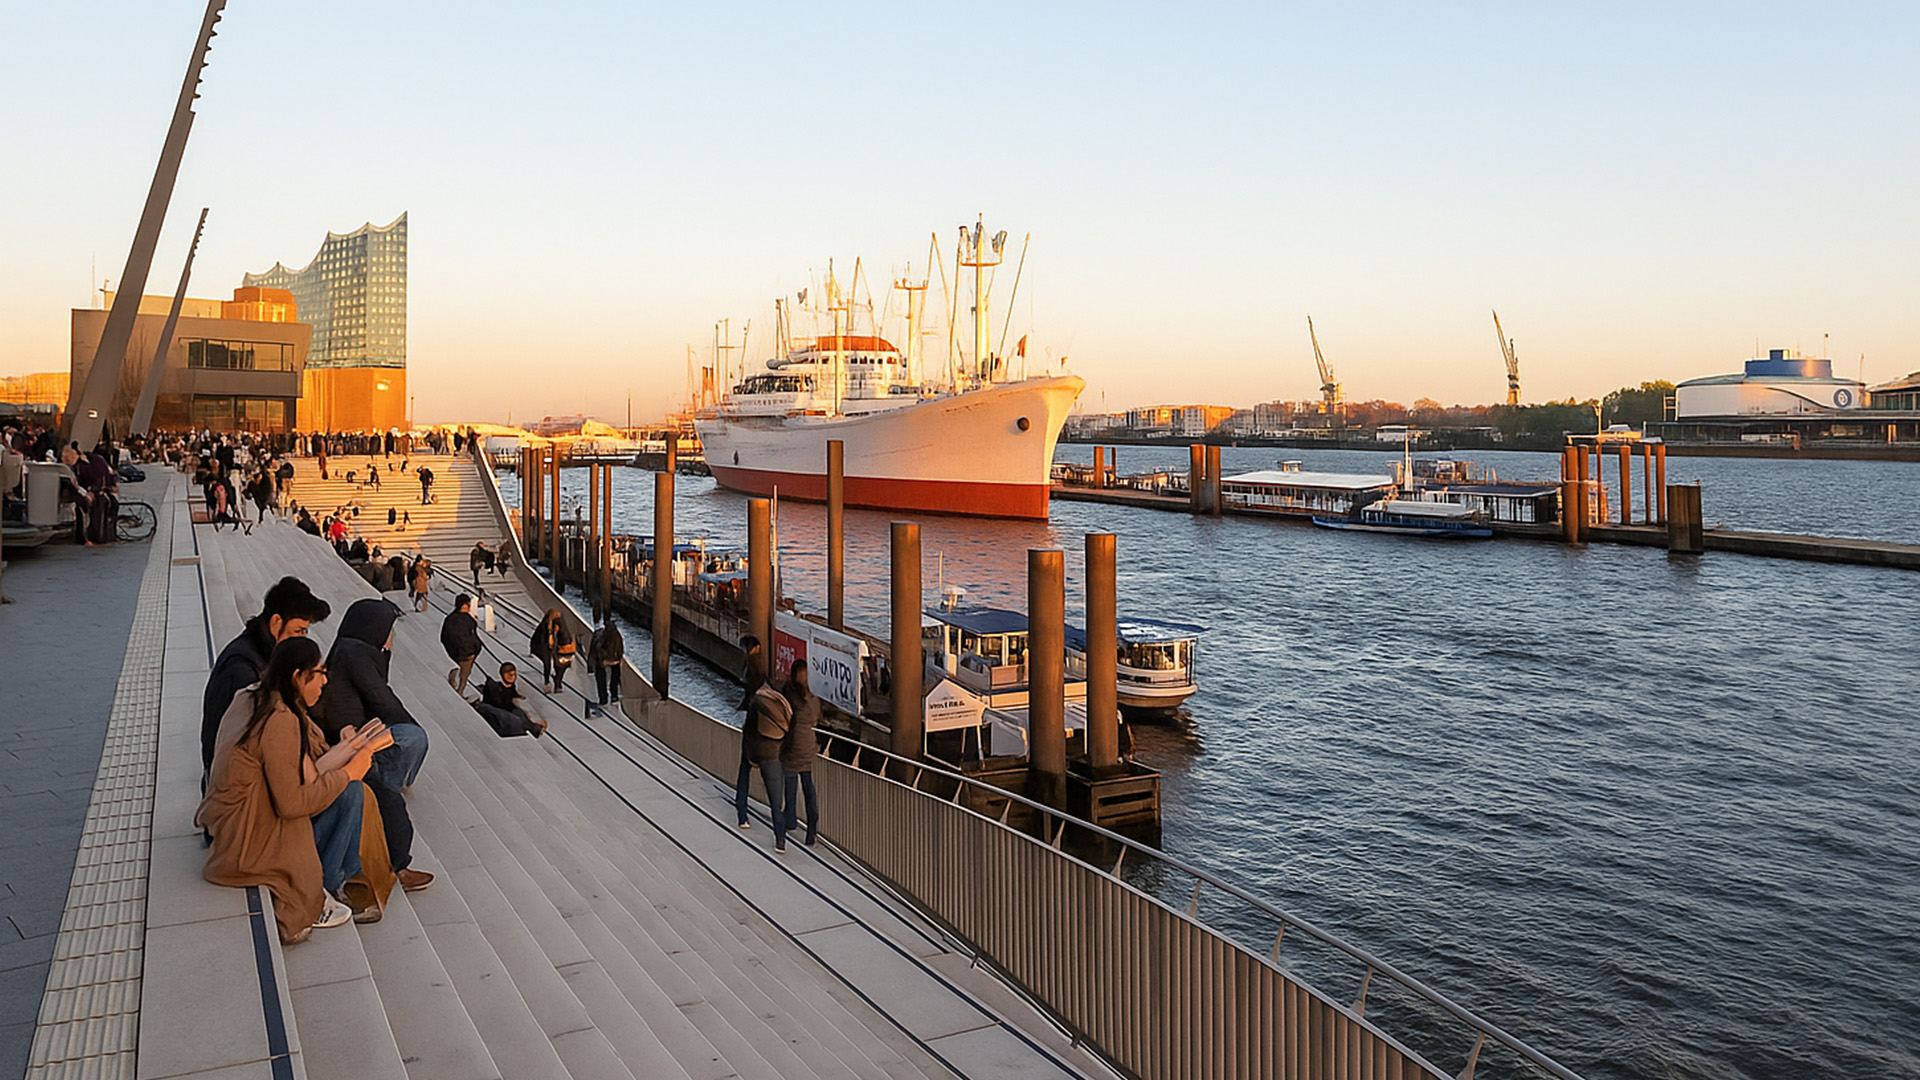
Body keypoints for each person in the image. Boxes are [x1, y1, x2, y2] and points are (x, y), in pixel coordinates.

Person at [198, 637, 383, 944]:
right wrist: (350, 771)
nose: (324, 682)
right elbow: (291, 804)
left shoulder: (252, 696)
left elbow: (305, 772)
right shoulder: (279, 720)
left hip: (232, 825)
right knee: (352, 790)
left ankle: (337, 877)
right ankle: (325, 885)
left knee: (350, 789)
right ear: (298, 676)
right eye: (319, 673)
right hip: (248, 841)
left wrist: (349, 749)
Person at [321, 598, 435, 893]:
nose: (391, 636)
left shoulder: (348, 647)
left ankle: (388, 782)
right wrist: (412, 726)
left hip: (348, 732)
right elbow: (381, 697)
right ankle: (400, 861)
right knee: (413, 738)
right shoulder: (357, 653)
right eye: (388, 629)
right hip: (350, 739)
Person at [202, 576, 333, 774]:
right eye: (298, 632)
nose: (301, 641)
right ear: (276, 622)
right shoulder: (243, 670)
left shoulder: (268, 655)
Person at [747, 673, 792, 853]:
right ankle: (786, 830)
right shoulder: (784, 705)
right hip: (783, 753)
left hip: (765, 754)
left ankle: (780, 837)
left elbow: (750, 731)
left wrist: (750, 754)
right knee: (784, 794)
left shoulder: (757, 702)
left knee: (774, 801)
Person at [780, 659, 821, 848]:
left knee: (790, 784)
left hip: (792, 744)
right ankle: (812, 829)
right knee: (808, 786)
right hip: (808, 744)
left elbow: (784, 716)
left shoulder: (789, 694)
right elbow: (816, 718)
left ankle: (790, 821)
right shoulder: (813, 698)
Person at [732, 635, 766, 830]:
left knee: (744, 771)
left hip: (752, 731)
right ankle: (783, 821)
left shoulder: (754, 665)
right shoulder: (758, 664)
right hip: (764, 735)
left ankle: (742, 813)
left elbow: (750, 687)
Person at [474, 662, 546, 738]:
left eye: (514, 675)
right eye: (510, 675)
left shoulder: (511, 688)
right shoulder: (495, 688)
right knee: (513, 718)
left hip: (505, 710)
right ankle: (526, 728)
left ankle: (533, 728)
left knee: (519, 713)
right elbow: (498, 703)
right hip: (494, 709)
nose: (512, 677)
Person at [440, 593, 482, 695]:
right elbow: (464, 638)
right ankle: (459, 694)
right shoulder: (462, 621)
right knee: (463, 676)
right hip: (466, 654)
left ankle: (456, 688)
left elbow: (444, 637)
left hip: (458, 653)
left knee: (462, 674)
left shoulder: (451, 618)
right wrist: (471, 651)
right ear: (464, 605)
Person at [531, 609, 575, 695]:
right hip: (543, 645)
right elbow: (543, 641)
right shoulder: (544, 628)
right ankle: (547, 682)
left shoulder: (560, 626)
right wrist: (551, 633)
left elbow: (565, 637)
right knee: (547, 663)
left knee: (560, 664)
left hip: (556, 646)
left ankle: (557, 681)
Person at [588, 618, 624, 713]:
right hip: (608, 659)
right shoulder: (615, 637)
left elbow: (594, 652)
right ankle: (612, 696)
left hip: (606, 659)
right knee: (613, 677)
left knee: (604, 678)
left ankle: (605, 698)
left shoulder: (603, 636)